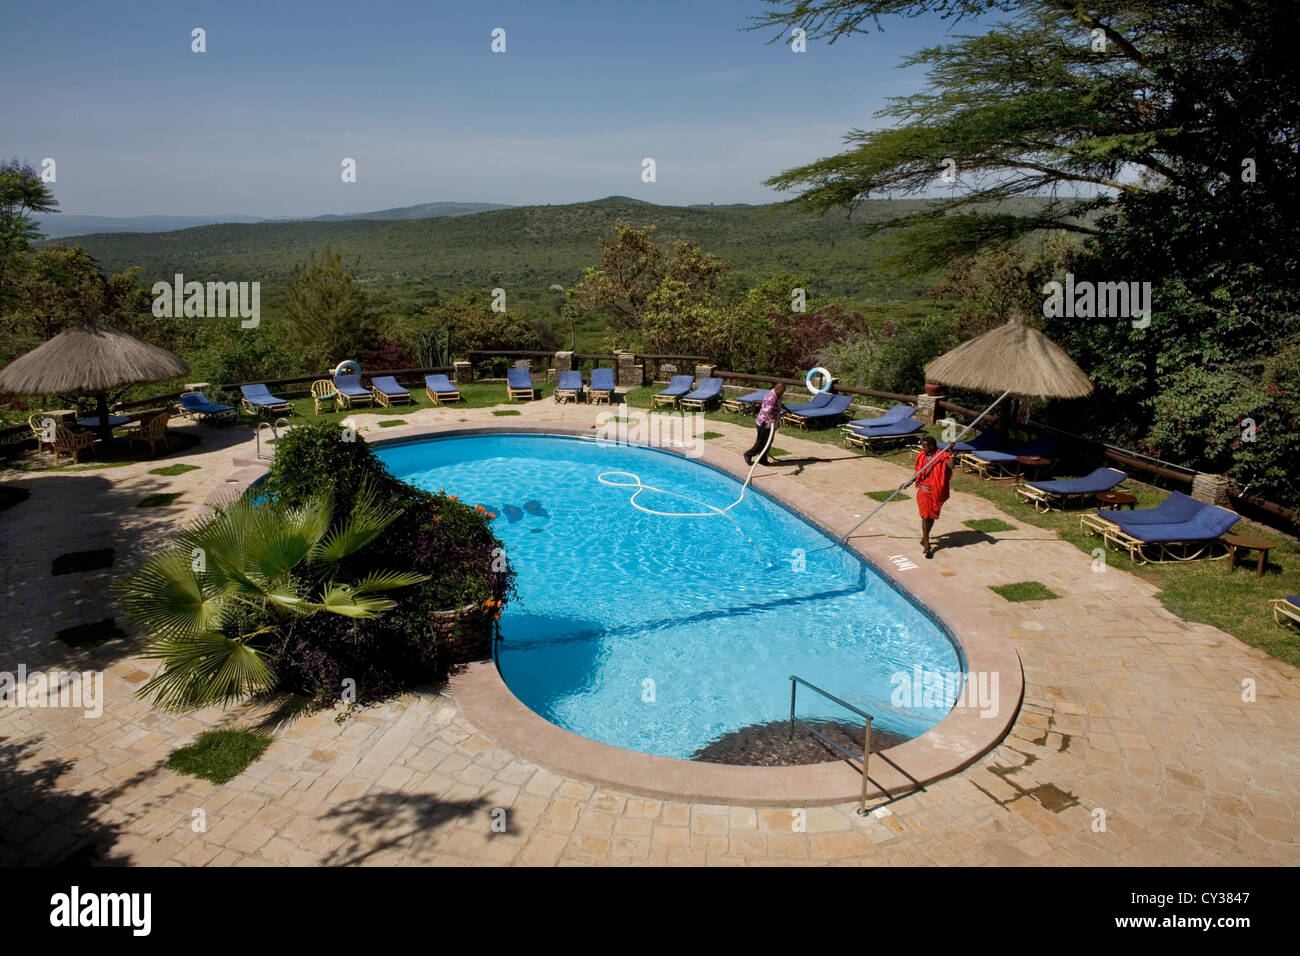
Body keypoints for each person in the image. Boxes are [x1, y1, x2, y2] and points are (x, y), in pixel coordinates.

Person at [902, 435, 953, 558]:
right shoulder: (921, 456)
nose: (923, 449)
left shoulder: (942, 456)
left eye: (924, 447)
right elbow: (918, 472)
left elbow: (950, 467)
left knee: (931, 517)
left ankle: (925, 537)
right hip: (923, 492)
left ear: (931, 446)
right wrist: (909, 482)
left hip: (935, 492)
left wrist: (951, 454)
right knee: (925, 517)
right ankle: (927, 545)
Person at [744, 383, 786, 466]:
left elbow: (776, 407)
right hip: (764, 422)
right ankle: (748, 454)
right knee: (761, 441)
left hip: (771, 423)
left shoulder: (776, 395)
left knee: (769, 441)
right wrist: (770, 419)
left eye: (783, 392)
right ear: (776, 389)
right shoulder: (771, 396)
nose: (782, 394)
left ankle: (762, 459)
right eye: (781, 392)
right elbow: (766, 410)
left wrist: (777, 421)